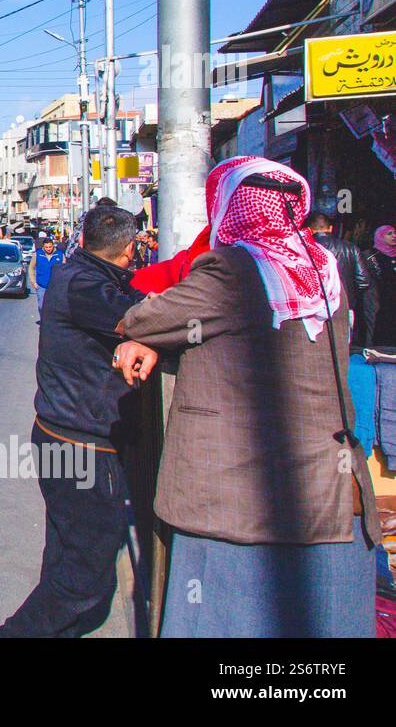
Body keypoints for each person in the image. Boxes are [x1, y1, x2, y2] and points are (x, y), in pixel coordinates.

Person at [113, 157, 380, 637]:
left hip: (237, 489)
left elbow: (139, 320)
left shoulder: (233, 267)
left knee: (226, 613)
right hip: (324, 482)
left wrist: (145, 333)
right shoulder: (322, 266)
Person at [0, 206, 144, 638]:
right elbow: (140, 317)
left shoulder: (76, 273)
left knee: (63, 553)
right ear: (130, 249)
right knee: (85, 576)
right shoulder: (87, 286)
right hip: (83, 445)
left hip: (61, 434)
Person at [307, 210, 376, 347]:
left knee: (315, 348)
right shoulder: (350, 248)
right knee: (343, 349)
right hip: (343, 307)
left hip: (311, 310)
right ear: (331, 228)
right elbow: (363, 281)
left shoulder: (302, 248)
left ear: (308, 230)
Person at [364, 224, 396, 346]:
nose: (394, 236)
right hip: (378, 298)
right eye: (389, 234)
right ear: (380, 237)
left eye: (394, 233)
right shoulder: (371, 255)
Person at [33, 237, 64, 313]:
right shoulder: (37, 254)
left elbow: (65, 270)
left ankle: (51, 323)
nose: (48, 249)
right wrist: (33, 282)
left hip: (55, 286)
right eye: (46, 247)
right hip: (41, 286)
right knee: (41, 306)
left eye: (50, 247)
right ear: (43, 247)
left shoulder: (60, 255)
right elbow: (31, 268)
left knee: (54, 307)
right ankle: (43, 321)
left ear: (53, 245)